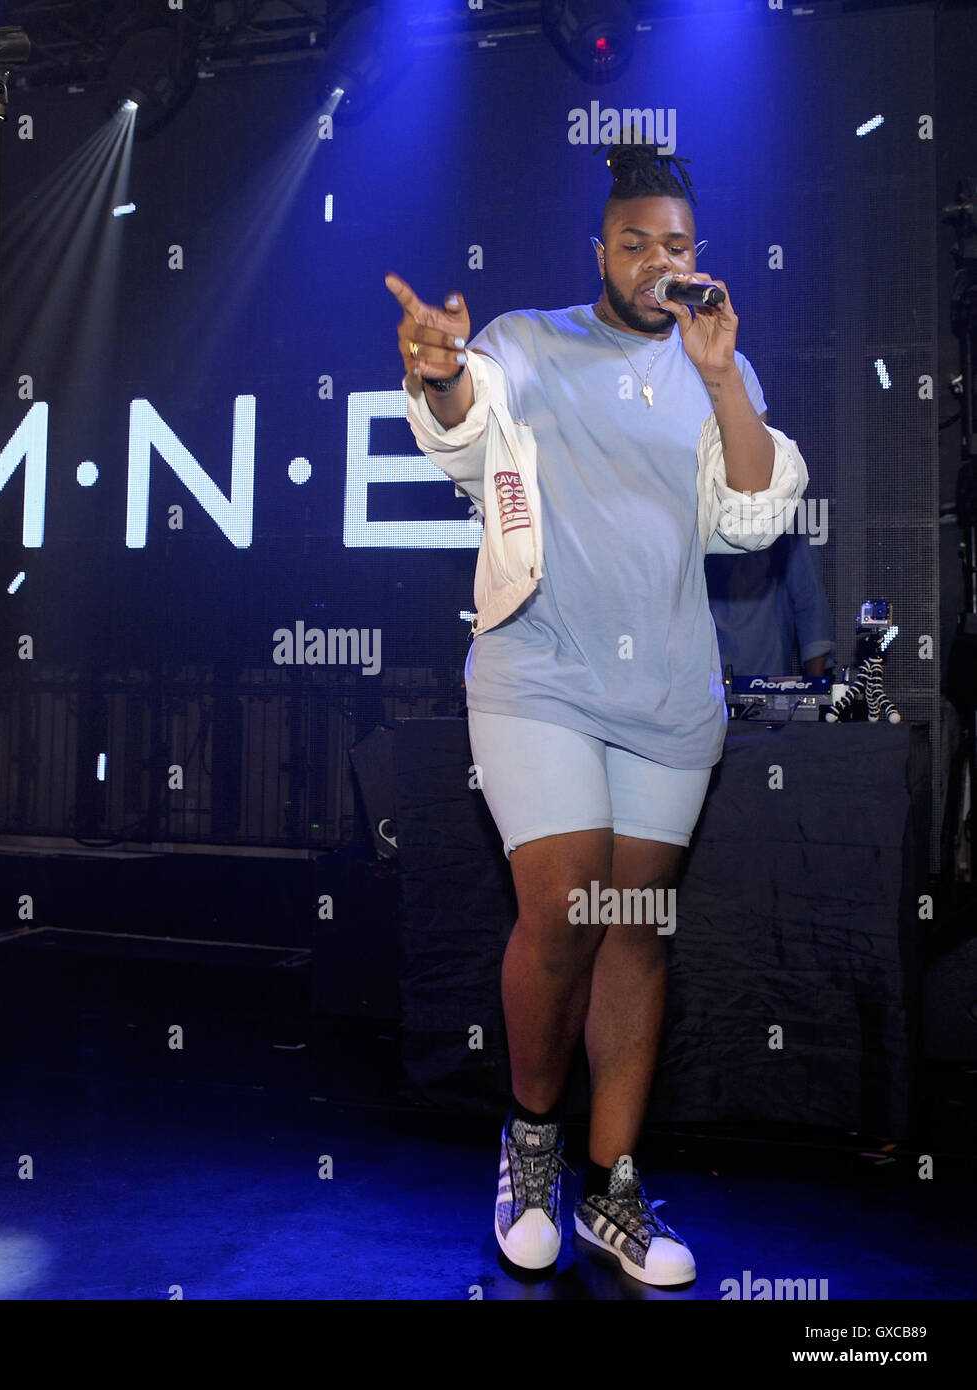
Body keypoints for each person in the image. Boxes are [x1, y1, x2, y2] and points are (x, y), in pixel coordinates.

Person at [386, 143, 809, 1287]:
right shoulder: (528, 341)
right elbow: (465, 426)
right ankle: (532, 1143)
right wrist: (441, 373)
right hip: (538, 673)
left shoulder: (719, 365)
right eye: (633, 243)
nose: (655, 262)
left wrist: (720, 379)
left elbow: (752, 514)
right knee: (566, 901)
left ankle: (612, 1191)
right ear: (601, 251)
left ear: (696, 254)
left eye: (675, 244)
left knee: (633, 928)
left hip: (666, 691)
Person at [705, 533, 835, 678]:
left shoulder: (787, 525)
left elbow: (811, 605)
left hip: (770, 677)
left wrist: (814, 688)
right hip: (703, 677)